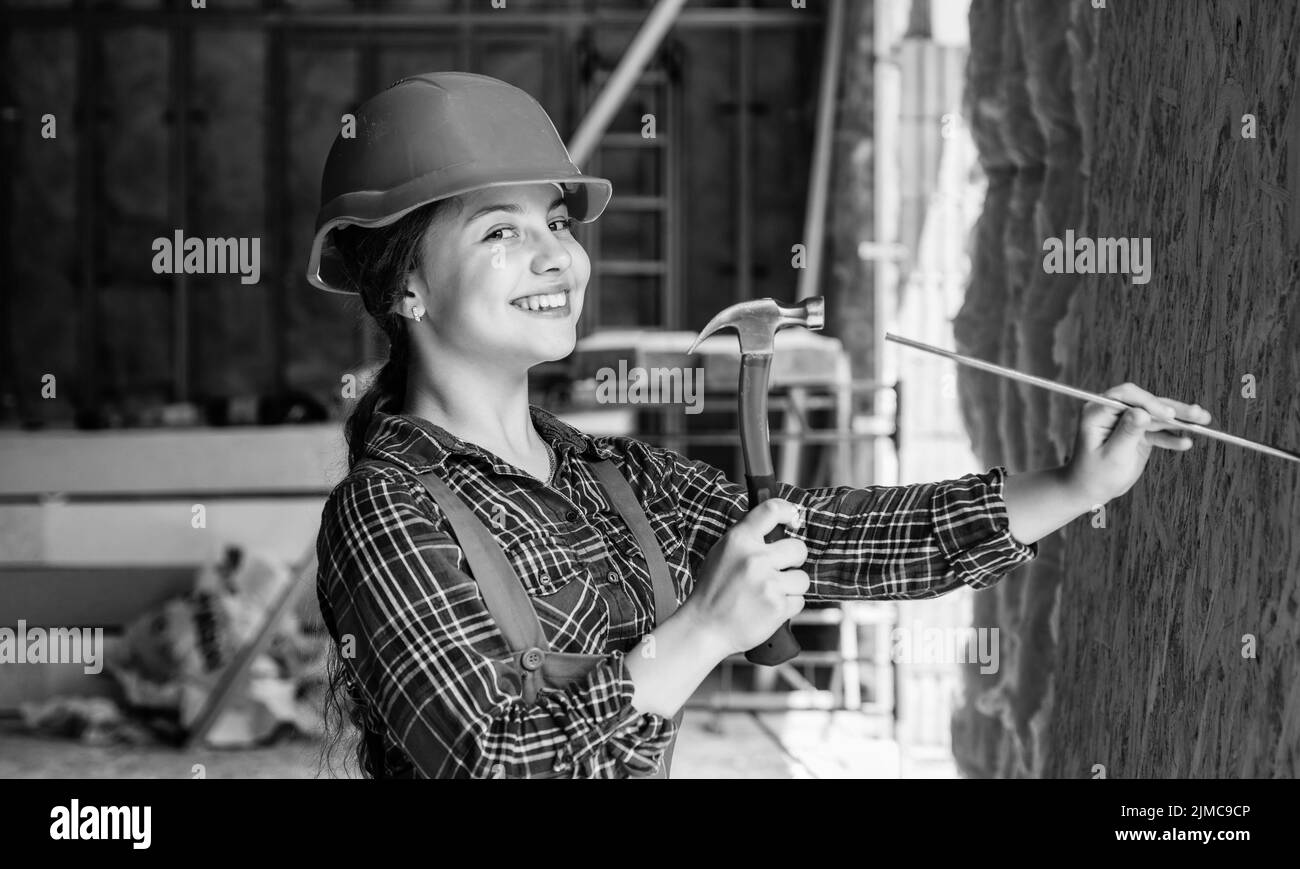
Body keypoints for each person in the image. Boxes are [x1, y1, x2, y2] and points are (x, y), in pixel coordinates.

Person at [308, 72, 1210, 779]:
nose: (556, 255)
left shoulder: (615, 477)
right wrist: (704, 630)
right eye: (498, 233)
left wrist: (1076, 482)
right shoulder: (385, 511)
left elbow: (840, 539)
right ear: (405, 287)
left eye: (554, 220)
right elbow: (489, 761)